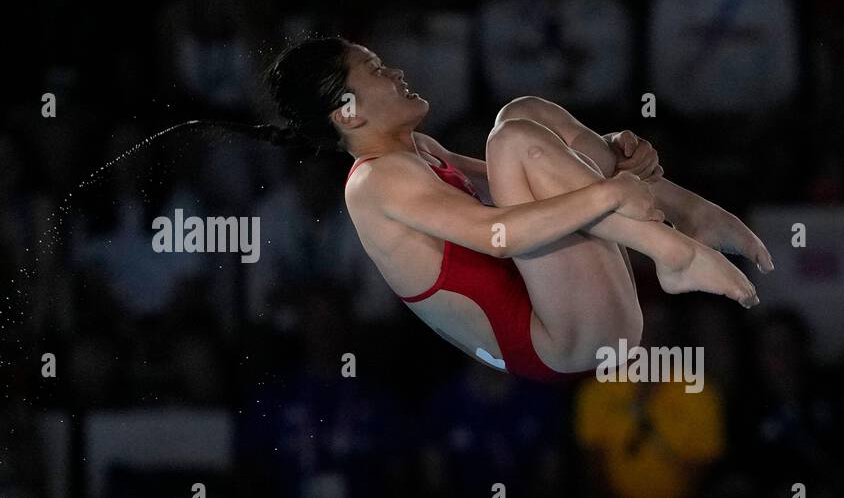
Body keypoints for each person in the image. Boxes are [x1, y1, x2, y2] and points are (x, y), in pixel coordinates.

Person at [247, 37, 772, 382]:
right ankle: (670, 252)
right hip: (563, 341)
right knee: (515, 138)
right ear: (348, 111)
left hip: (571, 312)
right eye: (377, 70)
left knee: (522, 116)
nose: (398, 71)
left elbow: (534, 178)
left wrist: (605, 152)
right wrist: (610, 191)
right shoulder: (374, 184)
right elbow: (498, 233)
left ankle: (689, 212)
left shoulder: (418, 150)